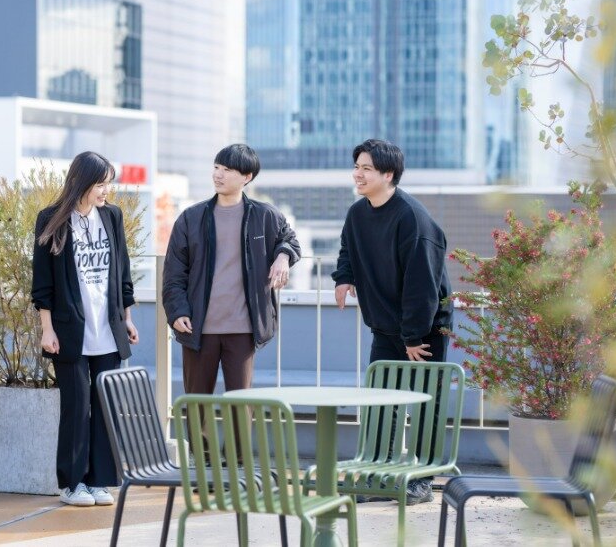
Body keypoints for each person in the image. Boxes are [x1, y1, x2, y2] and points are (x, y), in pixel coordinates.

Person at [332, 138, 453, 505]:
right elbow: (348, 248)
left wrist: (413, 336)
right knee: (381, 402)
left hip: (425, 329)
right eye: (356, 167)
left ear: (388, 174)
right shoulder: (358, 213)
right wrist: (343, 277)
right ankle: (378, 475)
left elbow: (423, 284)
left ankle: (422, 481)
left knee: (425, 404)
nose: (358, 174)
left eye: (366, 168)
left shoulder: (412, 219)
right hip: (385, 326)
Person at [31, 151, 139, 508]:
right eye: (101, 184)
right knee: (76, 408)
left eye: (108, 184)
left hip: (108, 328)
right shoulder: (51, 219)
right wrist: (47, 329)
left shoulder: (111, 216)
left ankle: (99, 480)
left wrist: (126, 318)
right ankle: (72, 482)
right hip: (70, 332)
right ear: (82, 182)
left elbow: (122, 271)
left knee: (105, 405)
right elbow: (42, 282)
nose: (106, 191)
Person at [163, 143, 301, 400]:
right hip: (197, 327)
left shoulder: (265, 215)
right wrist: (177, 311)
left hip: (243, 328)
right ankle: (199, 433)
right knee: (197, 404)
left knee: (240, 404)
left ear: (246, 177)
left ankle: (238, 433)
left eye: (227, 170)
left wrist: (283, 257)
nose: (218, 174)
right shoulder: (191, 218)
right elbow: (174, 272)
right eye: (216, 167)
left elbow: (290, 240)